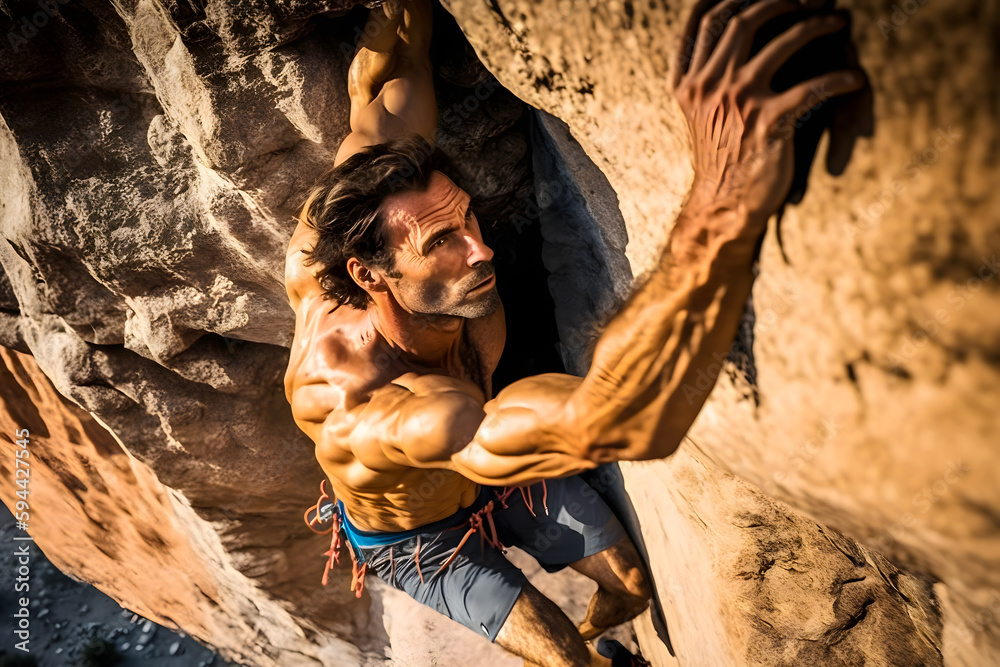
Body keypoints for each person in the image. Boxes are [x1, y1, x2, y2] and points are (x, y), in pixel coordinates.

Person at [286, 1, 865, 665]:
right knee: (565, 660)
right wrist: (722, 201)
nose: (482, 252)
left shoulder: (379, 192)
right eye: (443, 241)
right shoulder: (379, 410)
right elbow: (624, 423)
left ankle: (603, 632)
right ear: (369, 274)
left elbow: (385, 80)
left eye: (469, 220)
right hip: (419, 539)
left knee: (631, 587)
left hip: (493, 470)